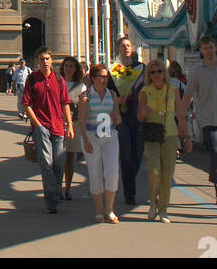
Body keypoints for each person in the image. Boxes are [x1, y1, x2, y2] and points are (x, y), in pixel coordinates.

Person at [136, 57, 187, 222]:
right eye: (153, 72)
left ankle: (163, 209)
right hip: (152, 135)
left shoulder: (173, 90)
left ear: (164, 73)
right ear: (149, 75)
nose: (156, 74)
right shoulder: (145, 92)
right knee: (154, 172)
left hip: (170, 134)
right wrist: (145, 111)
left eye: (159, 71)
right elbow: (139, 116)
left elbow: (180, 114)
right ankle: (153, 202)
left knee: (167, 174)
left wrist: (186, 136)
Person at [23, 48, 73, 213]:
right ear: (37, 61)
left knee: (59, 163)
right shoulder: (32, 79)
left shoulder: (59, 80)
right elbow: (27, 104)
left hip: (58, 127)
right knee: (46, 164)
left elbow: (65, 103)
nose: (44, 62)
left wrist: (70, 125)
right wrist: (37, 124)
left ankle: (56, 188)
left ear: (52, 61)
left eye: (47, 59)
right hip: (41, 128)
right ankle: (51, 201)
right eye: (41, 59)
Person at [78, 62, 121, 223]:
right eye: (101, 77)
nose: (104, 79)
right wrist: (86, 140)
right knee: (95, 172)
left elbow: (117, 116)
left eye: (106, 76)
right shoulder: (86, 96)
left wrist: (117, 118)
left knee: (112, 172)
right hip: (91, 135)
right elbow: (81, 121)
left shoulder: (112, 94)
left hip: (110, 135)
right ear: (93, 78)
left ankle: (110, 209)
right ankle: (99, 209)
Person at [110, 35, 145, 206]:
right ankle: (129, 192)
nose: (125, 48)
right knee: (126, 154)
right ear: (118, 49)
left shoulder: (141, 68)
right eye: (122, 45)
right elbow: (107, 91)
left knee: (137, 154)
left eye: (128, 45)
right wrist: (116, 100)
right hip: (121, 115)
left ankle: (129, 180)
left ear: (132, 48)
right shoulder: (114, 69)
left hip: (137, 113)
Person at [183, 33, 217, 204]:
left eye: (211, 47)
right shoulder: (197, 71)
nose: (209, 50)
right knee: (216, 152)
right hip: (209, 120)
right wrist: (181, 115)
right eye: (205, 48)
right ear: (201, 51)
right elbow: (188, 94)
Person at [59, 56, 85, 200]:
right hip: (57, 122)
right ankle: (57, 187)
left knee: (69, 157)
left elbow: (83, 108)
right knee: (57, 158)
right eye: (66, 66)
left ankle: (67, 188)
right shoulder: (57, 83)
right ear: (62, 68)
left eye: (71, 66)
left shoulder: (81, 87)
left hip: (73, 124)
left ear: (75, 69)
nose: (68, 69)